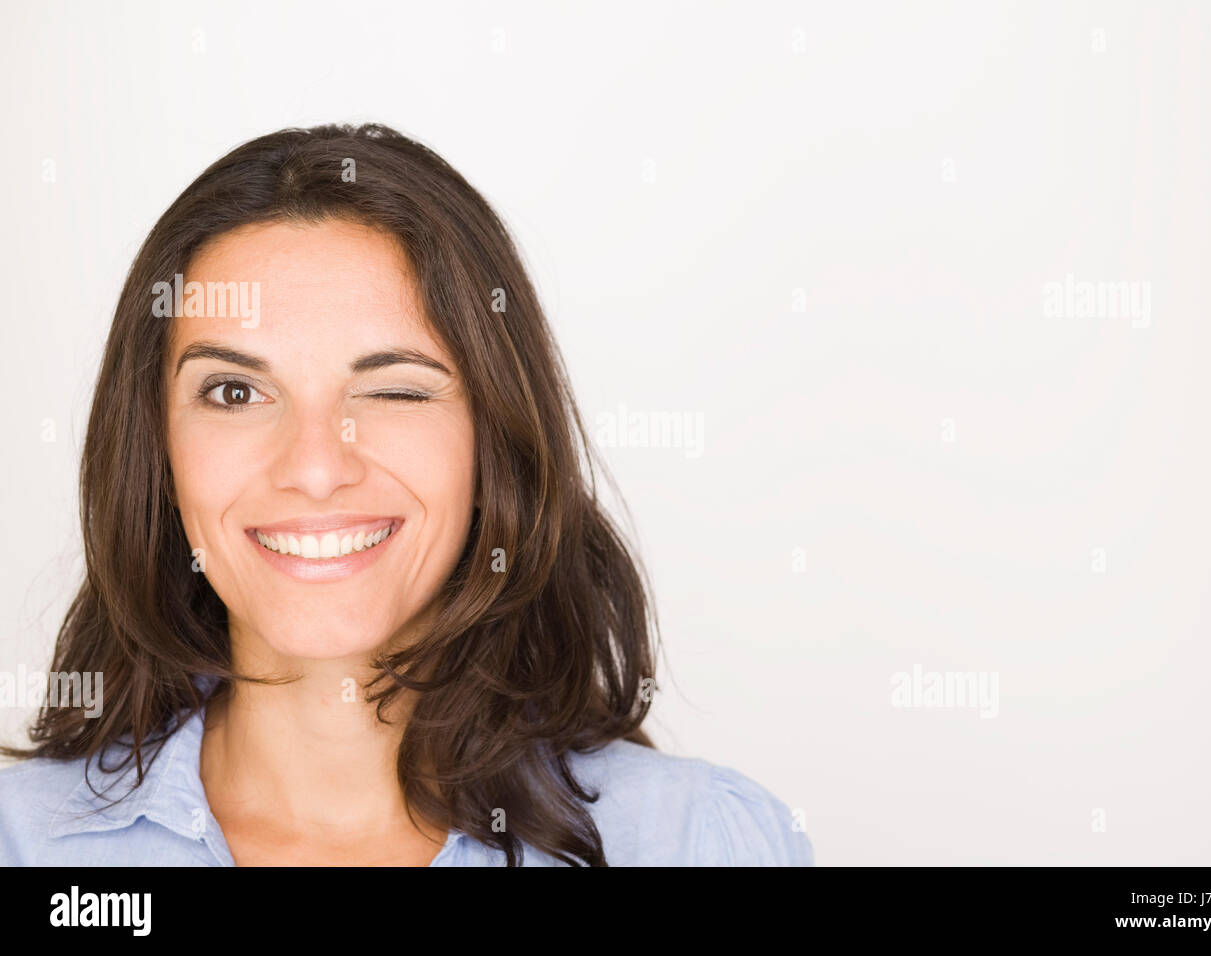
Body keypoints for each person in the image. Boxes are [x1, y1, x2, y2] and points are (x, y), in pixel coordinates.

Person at [0, 124, 813, 867]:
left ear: (493, 437)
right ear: (156, 450)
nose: (316, 467)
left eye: (393, 391)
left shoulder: (698, 842)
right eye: (237, 394)